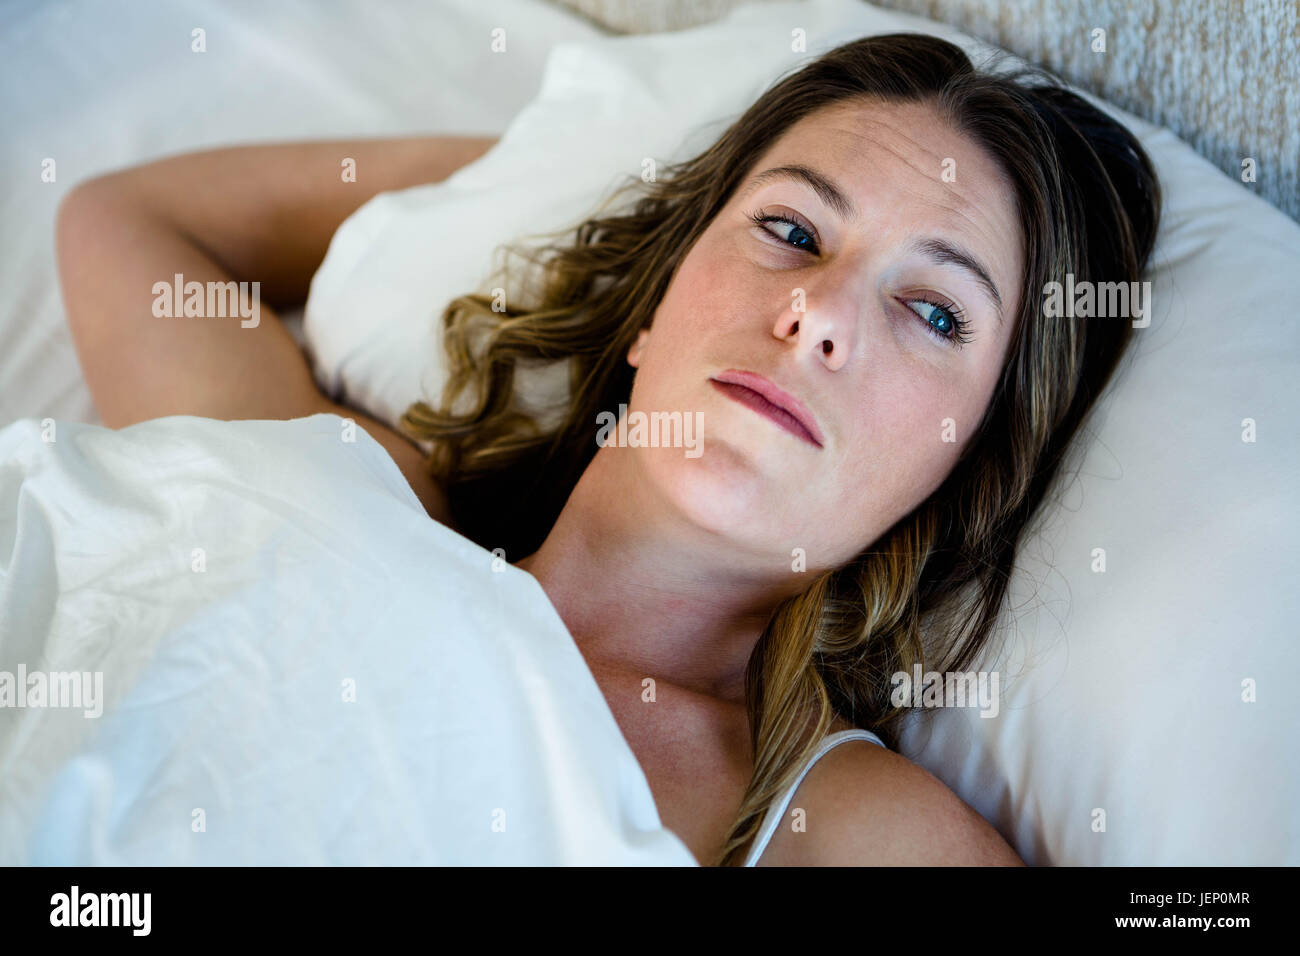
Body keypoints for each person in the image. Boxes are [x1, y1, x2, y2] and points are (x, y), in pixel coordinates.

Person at [58, 33, 1160, 866]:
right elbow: (130, 221)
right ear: (662, 294)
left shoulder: (839, 827)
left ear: (962, 459)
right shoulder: (345, 490)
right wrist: (558, 167)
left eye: (931, 311)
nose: (820, 310)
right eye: (787, 229)